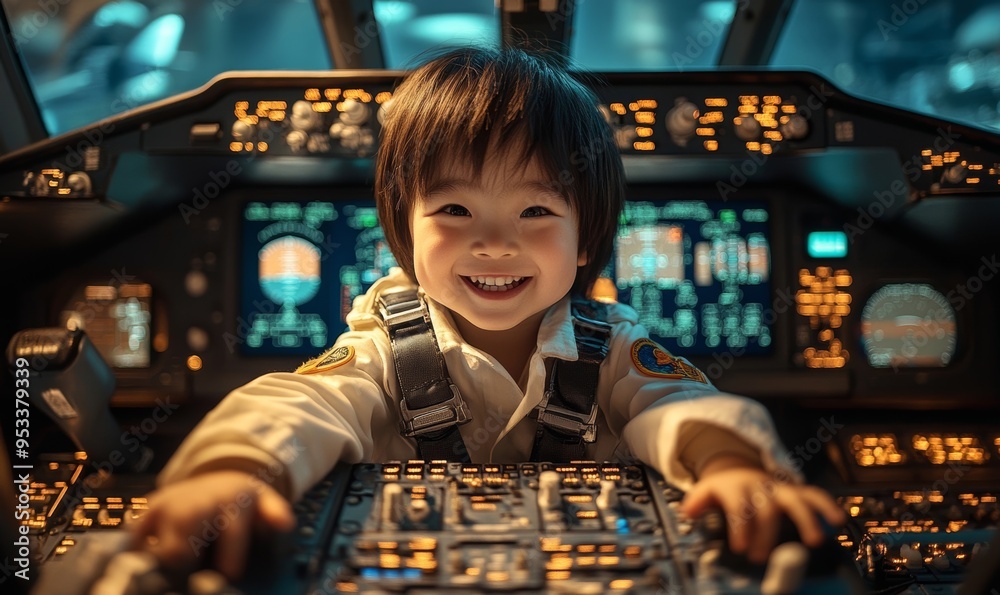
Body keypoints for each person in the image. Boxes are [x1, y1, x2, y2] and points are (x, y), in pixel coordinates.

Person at [133, 46, 845, 580]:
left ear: (586, 239)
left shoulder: (608, 341)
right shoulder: (383, 340)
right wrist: (236, 468)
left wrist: (727, 463)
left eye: (535, 210)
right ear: (404, 229)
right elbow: (311, 401)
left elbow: (675, 400)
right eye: (454, 208)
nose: (495, 243)